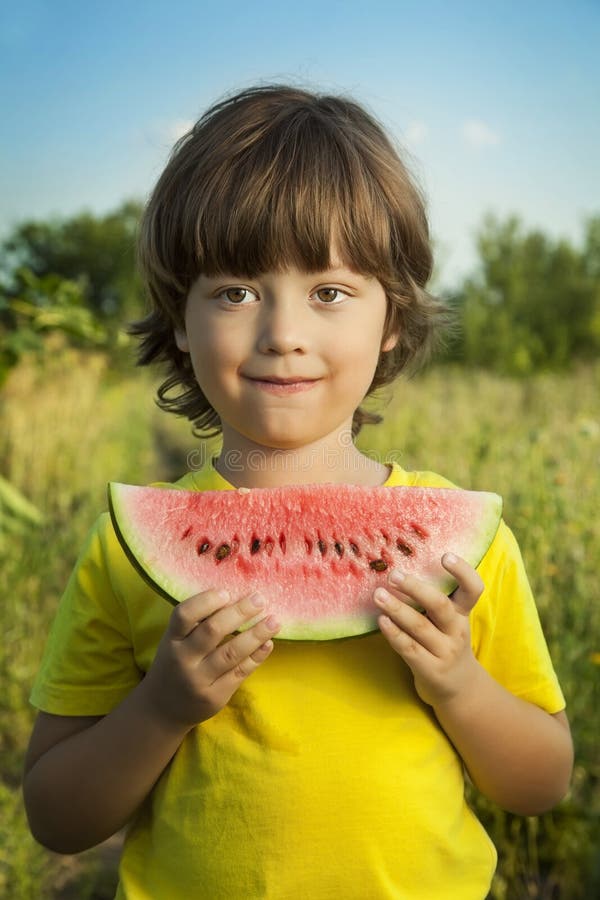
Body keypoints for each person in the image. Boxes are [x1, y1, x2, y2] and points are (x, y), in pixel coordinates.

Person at [23, 85, 573, 899]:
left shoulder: (466, 551)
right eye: (237, 291)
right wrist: (162, 708)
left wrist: (458, 682)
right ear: (180, 318)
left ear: (391, 321)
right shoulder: (125, 550)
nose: (283, 332)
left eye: (329, 293)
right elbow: (57, 818)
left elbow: (541, 783)